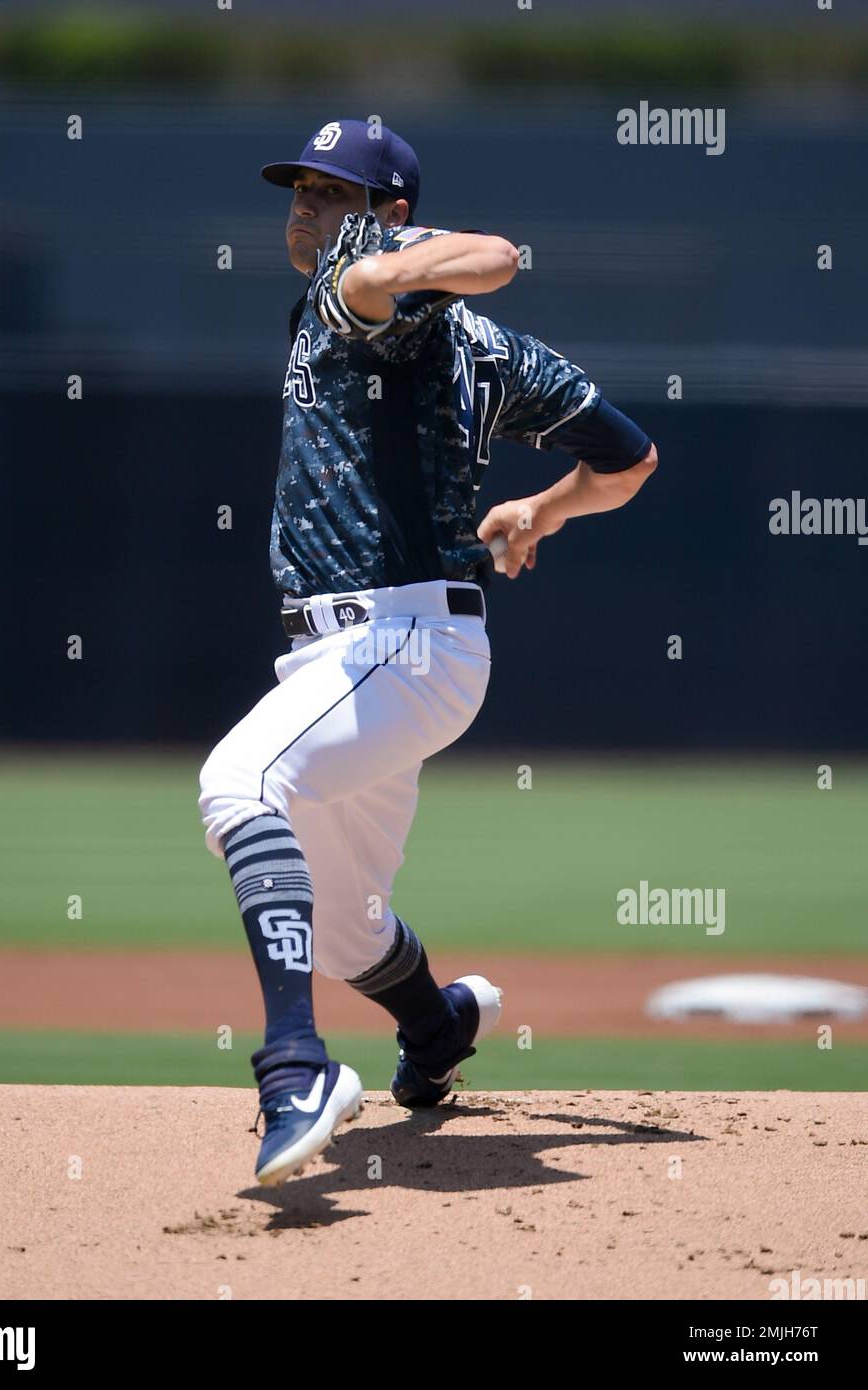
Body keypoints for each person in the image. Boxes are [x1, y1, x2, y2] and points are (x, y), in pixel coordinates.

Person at [198, 118, 658, 1186]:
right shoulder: (480, 346)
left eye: (333, 192)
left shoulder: (361, 287)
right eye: (300, 189)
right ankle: (441, 1026)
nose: (306, 207)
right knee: (352, 929)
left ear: (389, 211)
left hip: (391, 642)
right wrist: (544, 507)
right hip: (375, 659)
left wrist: (395, 263)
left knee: (239, 781)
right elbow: (631, 460)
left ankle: (294, 1068)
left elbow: (492, 259)